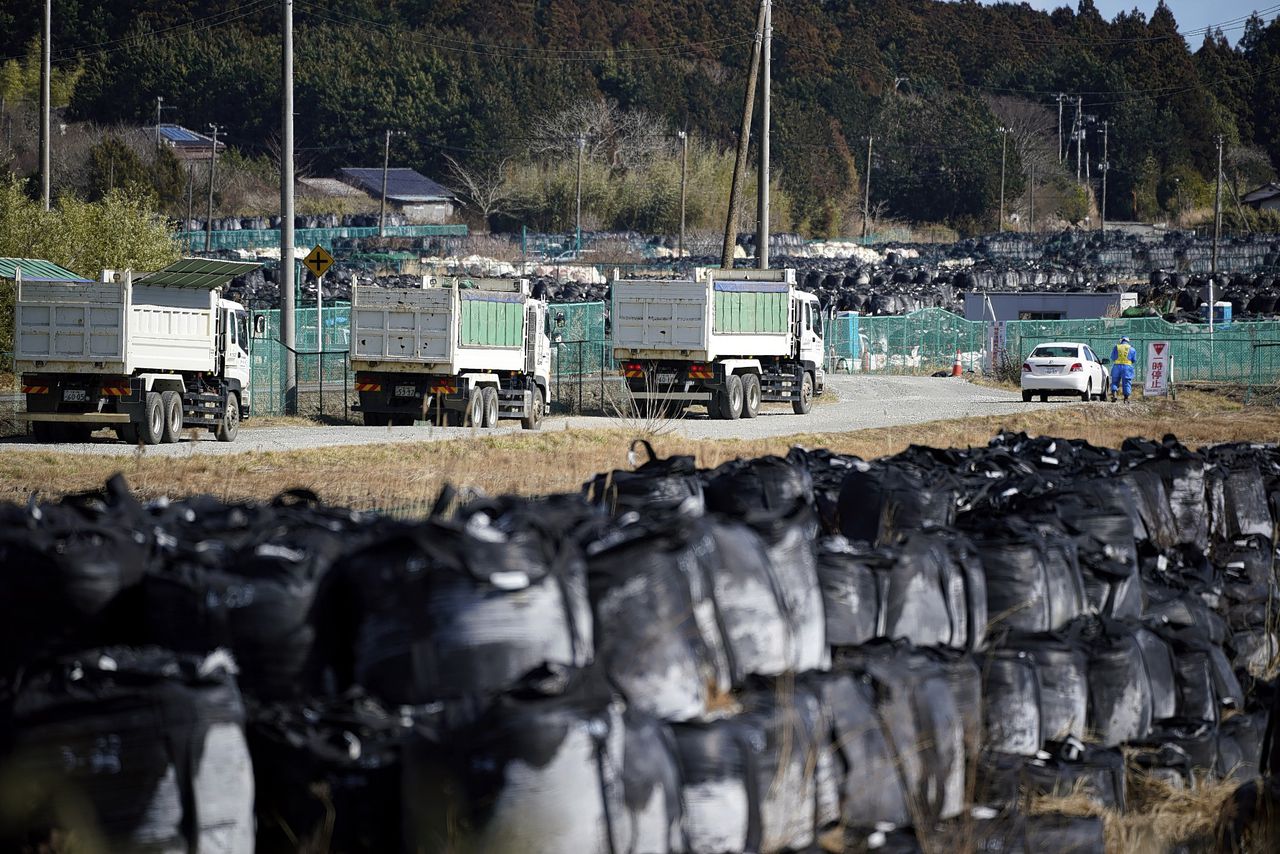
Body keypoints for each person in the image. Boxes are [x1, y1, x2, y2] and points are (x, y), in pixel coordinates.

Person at [1110, 336, 1138, 403]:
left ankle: (1114, 395)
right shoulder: (1132, 349)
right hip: (1127, 368)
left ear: (1121, 340)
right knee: (1127, 382)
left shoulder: (1116, 347)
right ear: (1128, 341)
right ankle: (1126, 398)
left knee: (1114, 382)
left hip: (1116, 367)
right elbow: (1134, 360)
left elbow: (1113, 358)